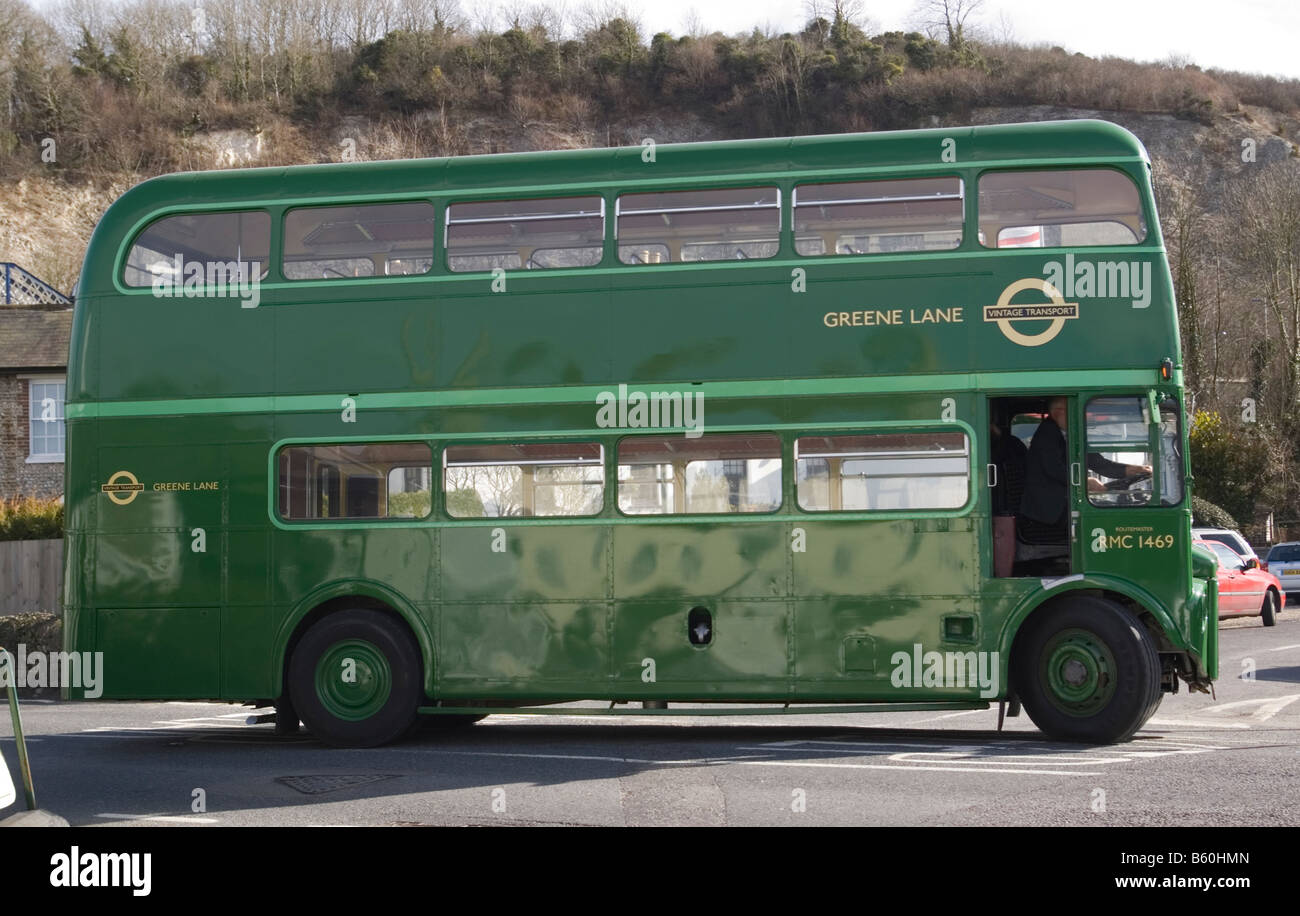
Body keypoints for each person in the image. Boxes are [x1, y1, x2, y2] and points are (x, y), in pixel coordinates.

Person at [1020, 397, 1150, 533]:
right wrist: (1085, 482)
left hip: (1061, 503)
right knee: (1108, 519)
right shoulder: (1047, 433)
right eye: (1074, 411)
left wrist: (1131, 470)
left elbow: (1096, 462)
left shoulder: (1069, 433)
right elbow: (1053, 468)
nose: (1079, 417)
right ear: (1058, 413)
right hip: (1048, 508)